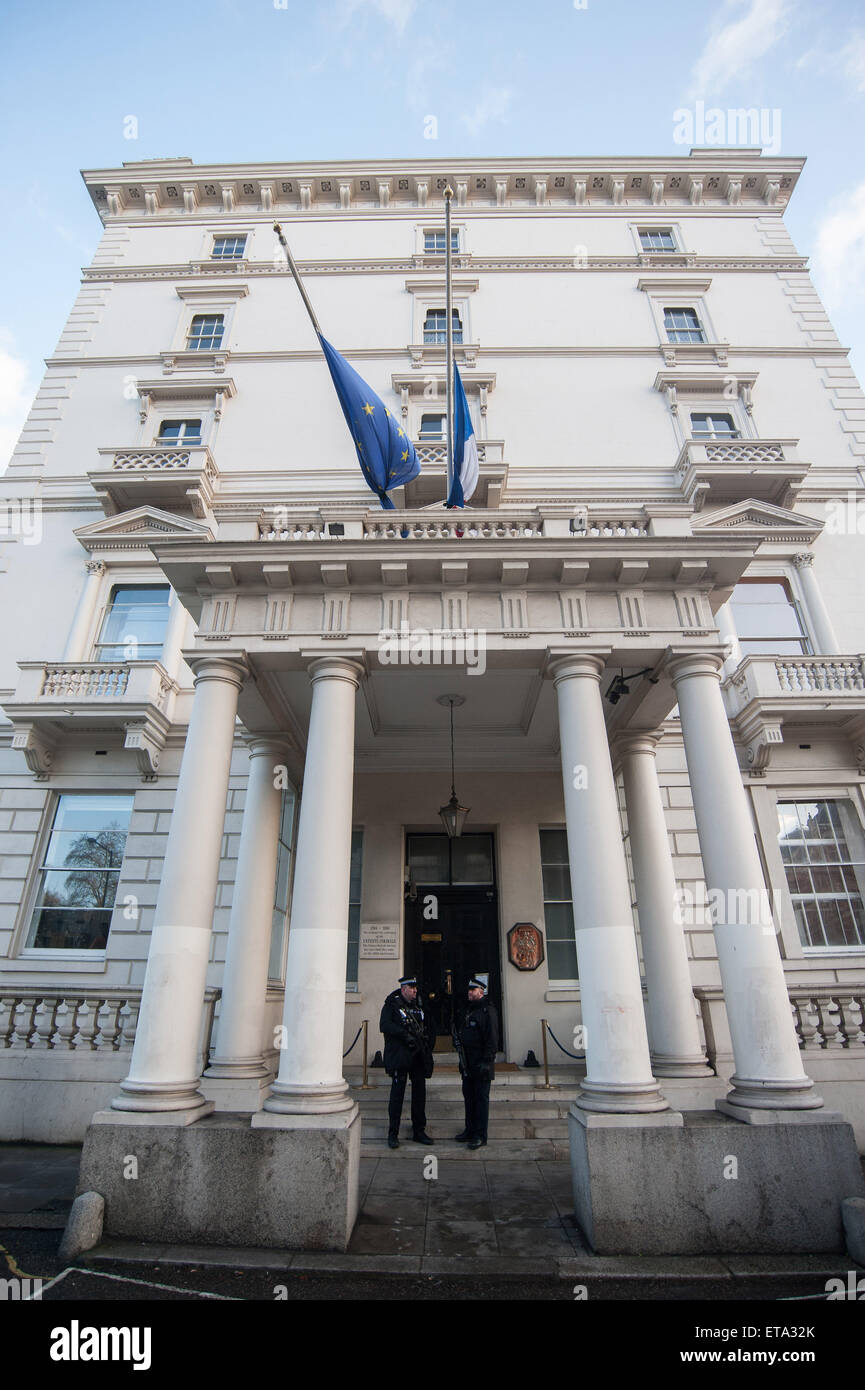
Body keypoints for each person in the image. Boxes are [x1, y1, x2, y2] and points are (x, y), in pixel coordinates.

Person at [379, 975, 435, 1148]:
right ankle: (393, 1133)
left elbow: (430, 1026)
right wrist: (404, 1035)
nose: (415, 990)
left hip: (418, 1056)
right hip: (401, 1056)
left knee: (419, 1095)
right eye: (411, 988)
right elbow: (385, 1026)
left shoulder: (419, 1005)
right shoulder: (392, 1005)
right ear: (403, 989)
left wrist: (428, 1047)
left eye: (415, 988)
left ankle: (419, 1130)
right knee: (397, 1095)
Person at [454, 977, 498, 1150]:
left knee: (481, 1099)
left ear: (481, 992)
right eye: (469, 990)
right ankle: (470, 1130)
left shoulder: (488, 1012)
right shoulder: (470, 1010)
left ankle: (480, 1135)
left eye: (473, 990)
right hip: (468, 1063)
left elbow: (492, 1039)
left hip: (481, 1062)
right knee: (469, 1097)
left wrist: (487, 1061)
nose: (469, 993)